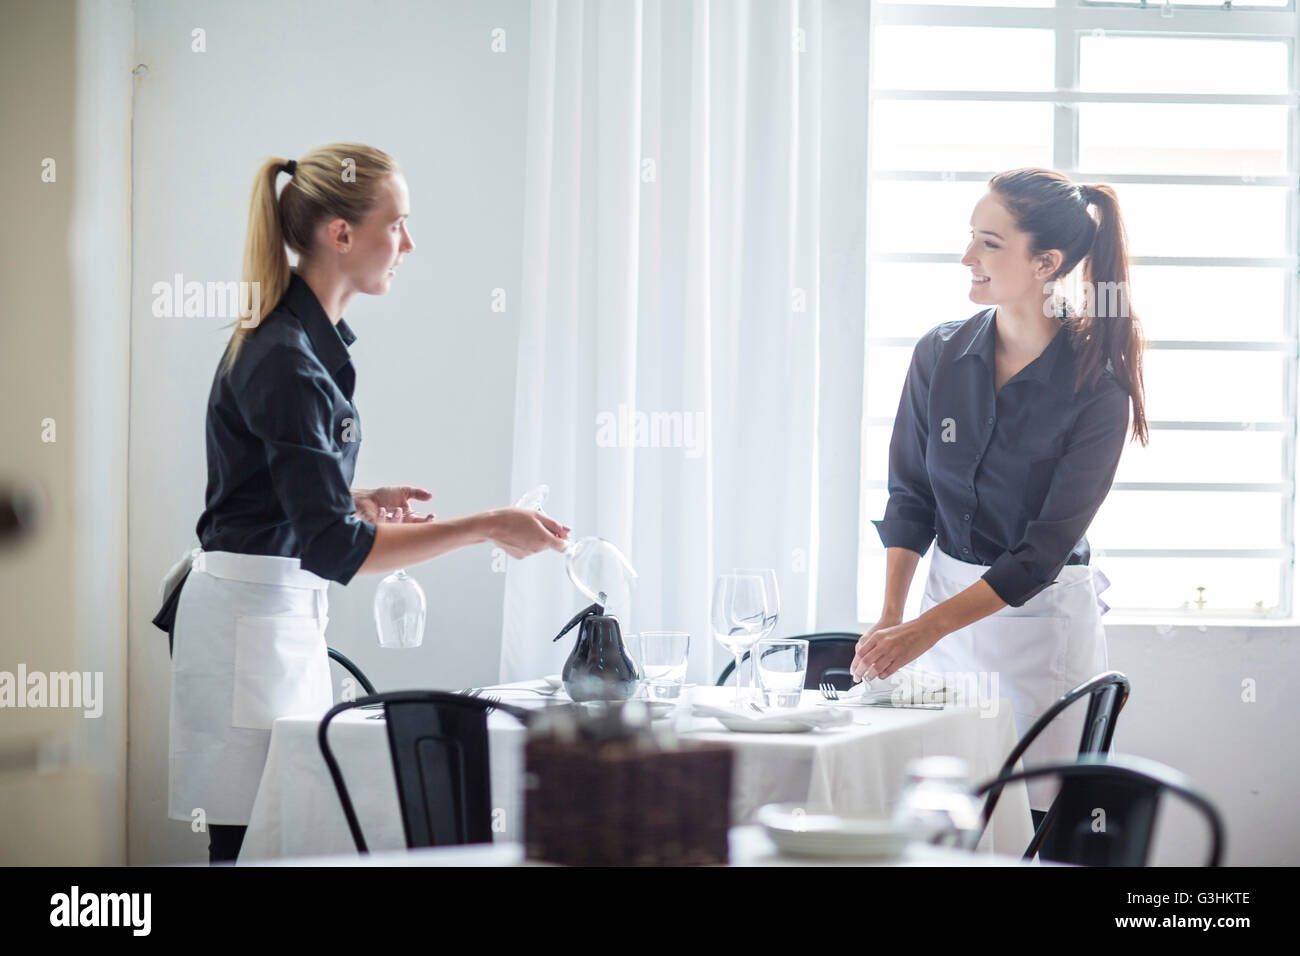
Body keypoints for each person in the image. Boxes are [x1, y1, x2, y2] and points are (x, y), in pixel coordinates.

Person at [152, 143, 568, 864]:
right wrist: (488, 526)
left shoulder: (301, 345)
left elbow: (266, 491)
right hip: (250, 626)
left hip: (267, 617)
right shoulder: (287, 358)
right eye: (397, 224)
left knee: (280, 831)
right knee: (250, 841)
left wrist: (354, 496)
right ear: (341, 235)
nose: (409, 243)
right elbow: (338, 548)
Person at [855, 168, 1149, 833]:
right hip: (937, 616)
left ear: (1046, 262)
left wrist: (922, 630)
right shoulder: (939, 353)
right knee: (941, 822)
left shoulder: (1098, 388)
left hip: (1039, 622)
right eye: (970, 238)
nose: (968, 258)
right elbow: (912, 495)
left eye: (989, 243)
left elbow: (1039, 554)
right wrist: (892, 616)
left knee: (1031, 825)